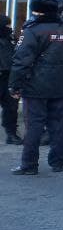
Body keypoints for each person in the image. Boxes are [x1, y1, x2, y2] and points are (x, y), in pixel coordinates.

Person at [9, 0, 63, 175]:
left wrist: (15, 85)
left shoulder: (32, 31)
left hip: (34, 87)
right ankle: (58, 161)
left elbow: (21, 61)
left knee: (34, 125)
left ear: (37, 11)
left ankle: (29, 164)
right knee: (57, 124)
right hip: (59, 86)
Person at [0, 15, 17, 145]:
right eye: (6, 25)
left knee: (11, 107)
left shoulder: (10, 39)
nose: (9, 28)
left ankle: (11, 134)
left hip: (8, 77)